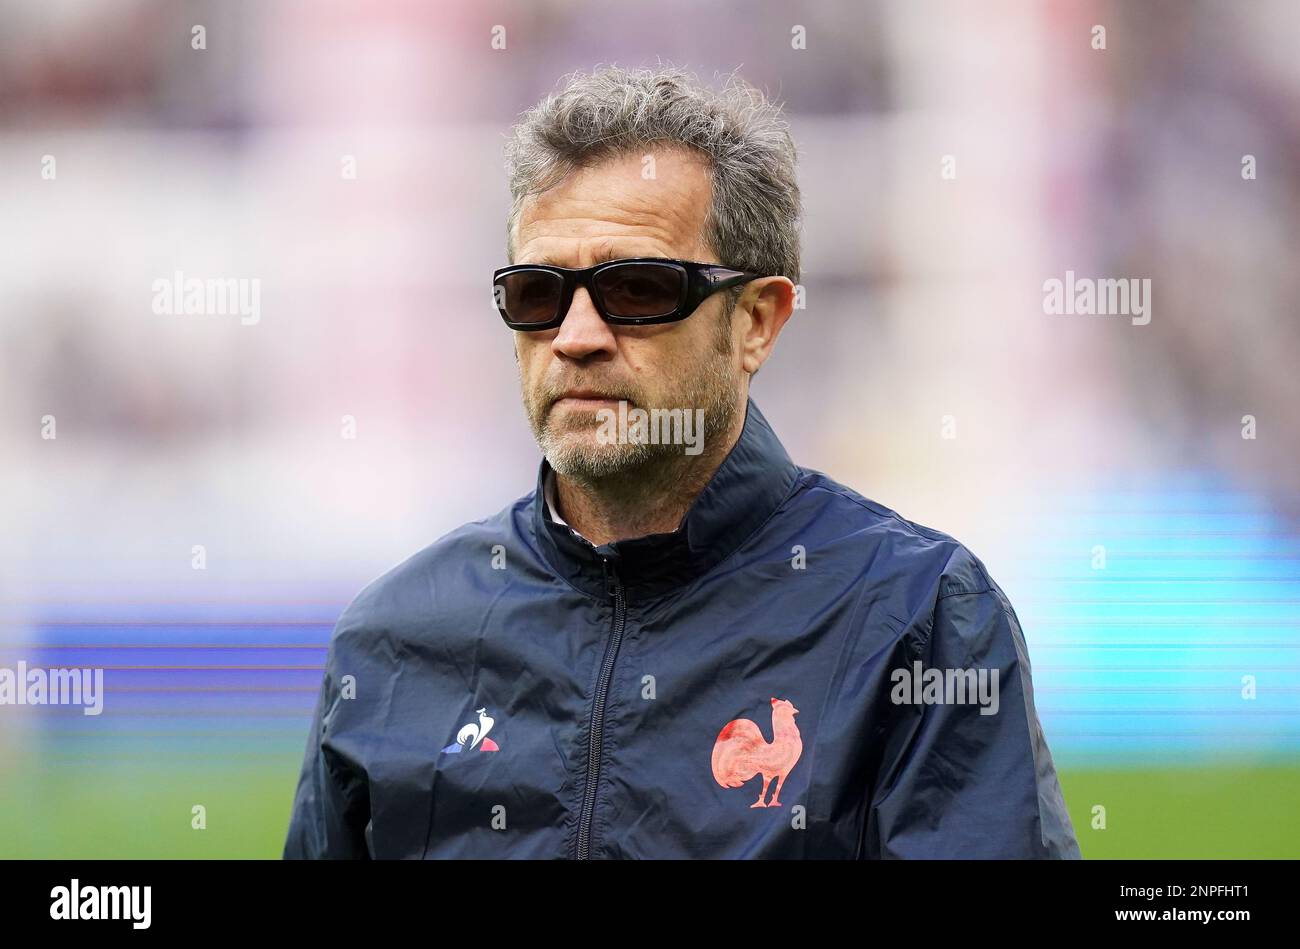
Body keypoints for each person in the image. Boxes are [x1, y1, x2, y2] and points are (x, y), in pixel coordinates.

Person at [283, 64, 1080, 859]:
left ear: (757, 321)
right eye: (537, 294)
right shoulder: (391, 638)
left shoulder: (917, 616)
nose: (576, 335)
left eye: (636, 289)